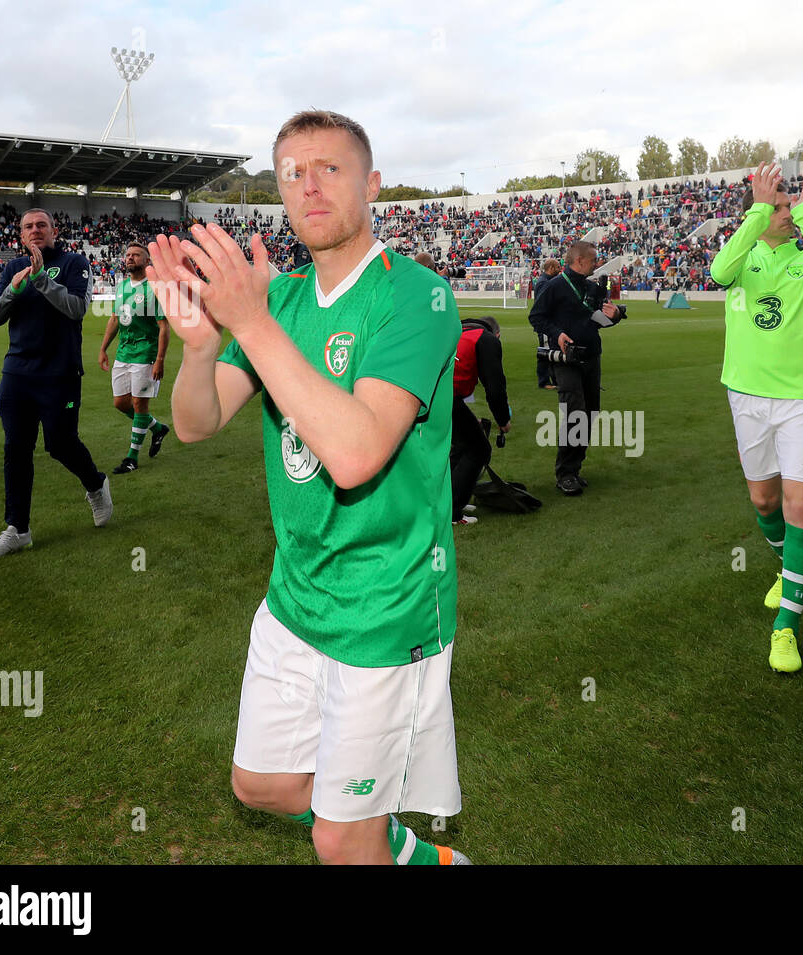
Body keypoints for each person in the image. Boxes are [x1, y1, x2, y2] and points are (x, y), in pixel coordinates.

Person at [146, 109, 467, 865]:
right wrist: (199, 349)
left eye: (330, 168)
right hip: (296, 596)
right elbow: (196, 422)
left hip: (384, 605)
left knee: (339, 838)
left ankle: (384, 843)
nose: (309, 185)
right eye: (293, 172)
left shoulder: (417, 297)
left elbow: (355, 453)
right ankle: (416, 854)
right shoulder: (283, 299)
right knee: (260, 783)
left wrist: (251, 326)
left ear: (373, 184)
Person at [710, 162, 803, 673]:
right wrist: (756, 208)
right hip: (747, 396)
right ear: (760, 211)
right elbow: (717, 273)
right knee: (764, 500)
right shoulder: (742, 253)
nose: (790, 213)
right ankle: (786, 566)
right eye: (784, 206)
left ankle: (786, 627)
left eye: (793, 206)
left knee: (801, 505)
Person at [0, 209, 112, 560]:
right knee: (16, 449)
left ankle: (96, 485)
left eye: (42, 225)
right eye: (28, 226)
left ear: (54, 230)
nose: (35, 230)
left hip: (60, 373)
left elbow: (75, 309)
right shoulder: (11, 269)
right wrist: (14, 287)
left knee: (60, 444)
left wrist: (41, 279)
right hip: (18, 373)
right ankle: (17, 529)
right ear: (21, 235)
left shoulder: (73, 263)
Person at [528, 240, 626, 495]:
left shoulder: (593, 288)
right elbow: (536, 317)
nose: (597, 263)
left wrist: (614, 317)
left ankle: (575, 467)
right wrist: (557, 334)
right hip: (566, 359)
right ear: (579, 261)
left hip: (592, 356)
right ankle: (565, 473)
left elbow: (597, 320)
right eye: (593, 259)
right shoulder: (554, 286)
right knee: (575, 412)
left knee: (591, 413)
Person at [97, 242, 172, 474]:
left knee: (140, 404)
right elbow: (114, 319)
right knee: (120, 403)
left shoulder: (155, 288)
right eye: (128, 255)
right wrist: (103, 348)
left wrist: (160, 358)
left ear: (147, 261)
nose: (130, 258)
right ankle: (157, 428)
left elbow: (164, 326)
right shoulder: (121, 286)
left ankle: (132, 458)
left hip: (146, 353)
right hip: (123, 352)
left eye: (136, 255)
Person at [451, 315, 510, 525]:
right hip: (445, 396)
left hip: (433, 394)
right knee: (479, 450)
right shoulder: (485, 339)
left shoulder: (456, 330)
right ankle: (453, 512)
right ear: (497, 334)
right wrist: (503, 419)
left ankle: (452, 500)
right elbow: (494, 386)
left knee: (460, 447)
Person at [530, 258, 561, 389]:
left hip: (550, 323)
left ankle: (554, 379)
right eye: (558, 267)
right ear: (551, 268)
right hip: (545, 323)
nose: (560, 269)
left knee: (551, 351)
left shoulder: (546, 281)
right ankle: (544, 381)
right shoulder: (544, 283)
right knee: (545, 351)